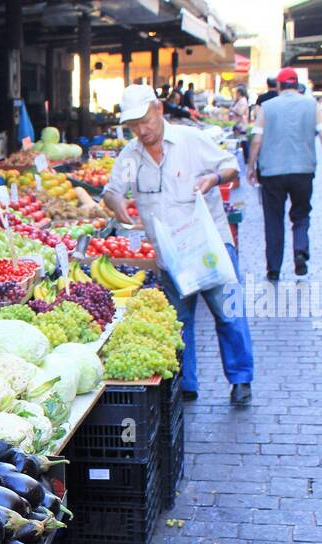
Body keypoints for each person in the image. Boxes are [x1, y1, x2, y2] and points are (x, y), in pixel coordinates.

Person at [103, 85, 255, 406]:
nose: (141, 130)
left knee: (229, 313)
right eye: (133, 125)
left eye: (145, 120)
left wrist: (213, 179)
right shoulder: (131, 156)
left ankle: (241, 378)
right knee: (180, 321)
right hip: (170, 255)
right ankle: (187, 384)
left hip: (209, 245)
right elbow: (112, 191)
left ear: (158, 109)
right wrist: (117, 203)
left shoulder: (190, 140)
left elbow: (230, 165)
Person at [247, 67, 322, 281]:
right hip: (303, 170)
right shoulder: (311, 104)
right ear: (296, 85)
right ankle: (300, 250)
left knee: (273, 219)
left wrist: (251, 166)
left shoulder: (266, 107)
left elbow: (256, 139)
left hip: (271, 172)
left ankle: (274, 268)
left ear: (278, 86)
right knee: (301, 214)